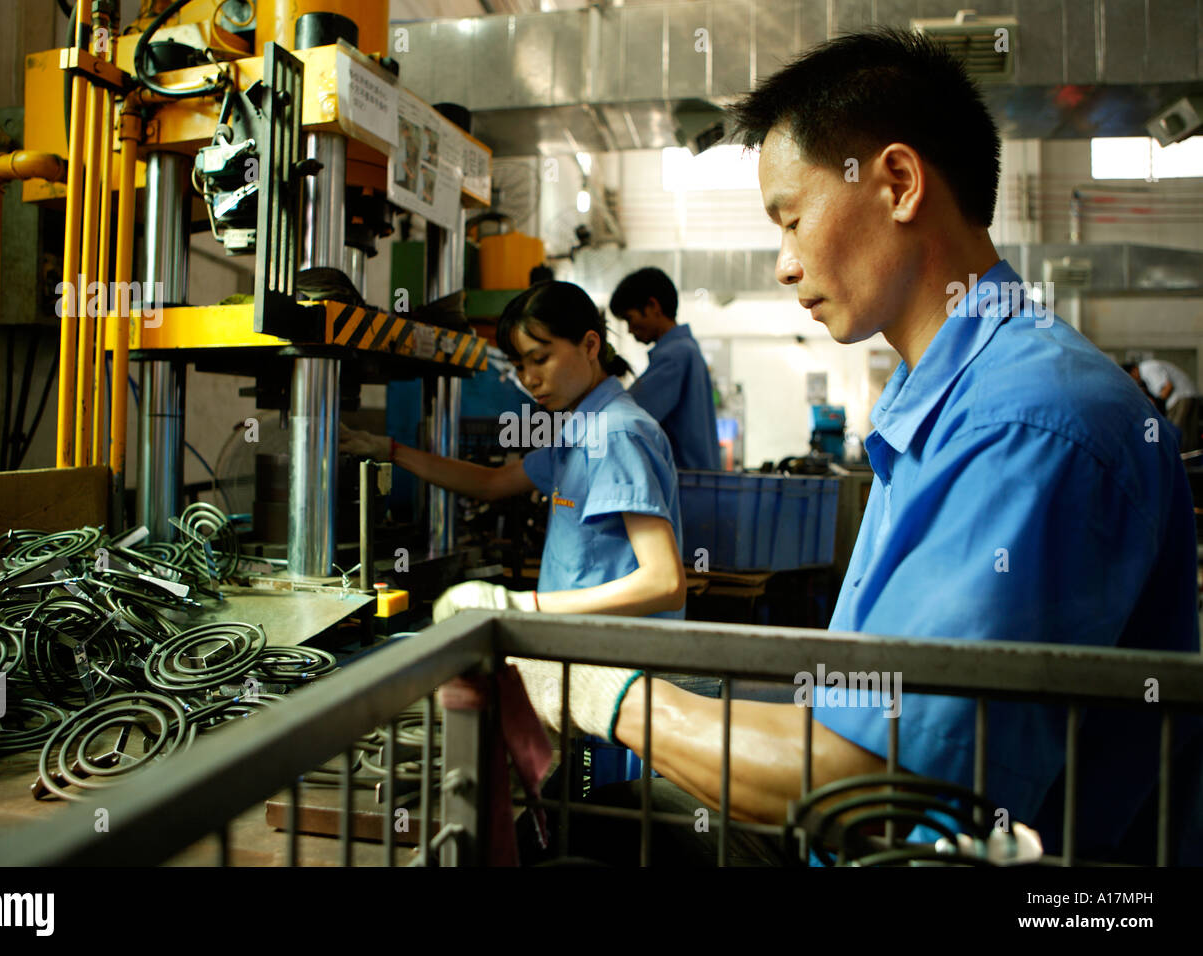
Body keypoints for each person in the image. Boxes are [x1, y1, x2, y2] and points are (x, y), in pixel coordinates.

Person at [510, 28, 1201, 866]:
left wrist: (597, 692)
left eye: (792, 219)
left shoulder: (1027, 424)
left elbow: (869, 781)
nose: (784, 265)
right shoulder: (955, 400)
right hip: (858, 833)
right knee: (600, 818)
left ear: (899, 184)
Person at [340, 280, 687, 621]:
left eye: (541, 358)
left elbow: (665, 583)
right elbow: (492, 483)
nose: (530, 379)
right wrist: (390, 450)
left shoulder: (616, 434)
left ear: (590, 345)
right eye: (520, 365)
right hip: (584, 652)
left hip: (618, 664)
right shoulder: (582, 430)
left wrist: (521, 606)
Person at [609, 268, 721, 471]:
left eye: (629, 318)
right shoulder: (687, 349)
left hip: (685, 485)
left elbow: (626, 416)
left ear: (653, 306)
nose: (630, 329)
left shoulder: (674, 355)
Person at [1124, 359, 1200, 452]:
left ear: (1134, 370)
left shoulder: (1147, 368)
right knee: (1189, 434)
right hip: (1188, 394)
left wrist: (1154, 406)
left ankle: (1179, 461)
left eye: (1131, 377)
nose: (1134, 381)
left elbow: (1167, 387)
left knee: (1175, 432)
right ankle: (1188, 462)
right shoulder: (1146, 373)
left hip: (1181, 397)